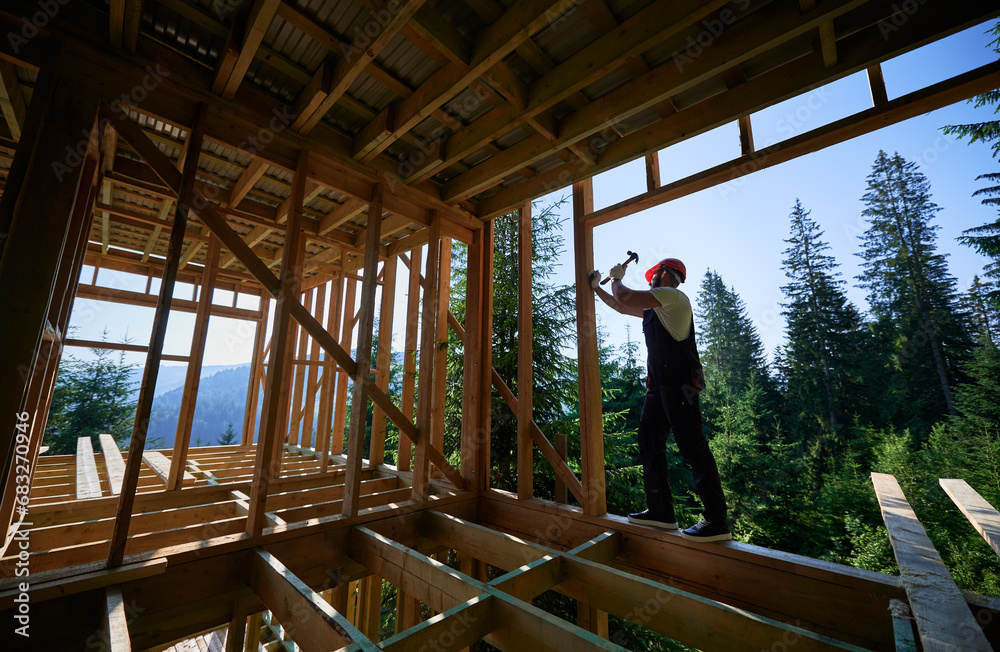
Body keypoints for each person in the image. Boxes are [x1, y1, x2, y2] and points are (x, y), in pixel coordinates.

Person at [590, 258, 731, 542]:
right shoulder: (656, 308)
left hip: (680, 385)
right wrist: (597, 289)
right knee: (649, 439)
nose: (650, 279)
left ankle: (717, 520)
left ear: (664, 274)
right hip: (660, 385)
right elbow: (620, 304)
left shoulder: (673, 296)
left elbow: (624, 295)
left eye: (653, 275)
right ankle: (661, 511)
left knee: (692, 446)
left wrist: (617, 278)